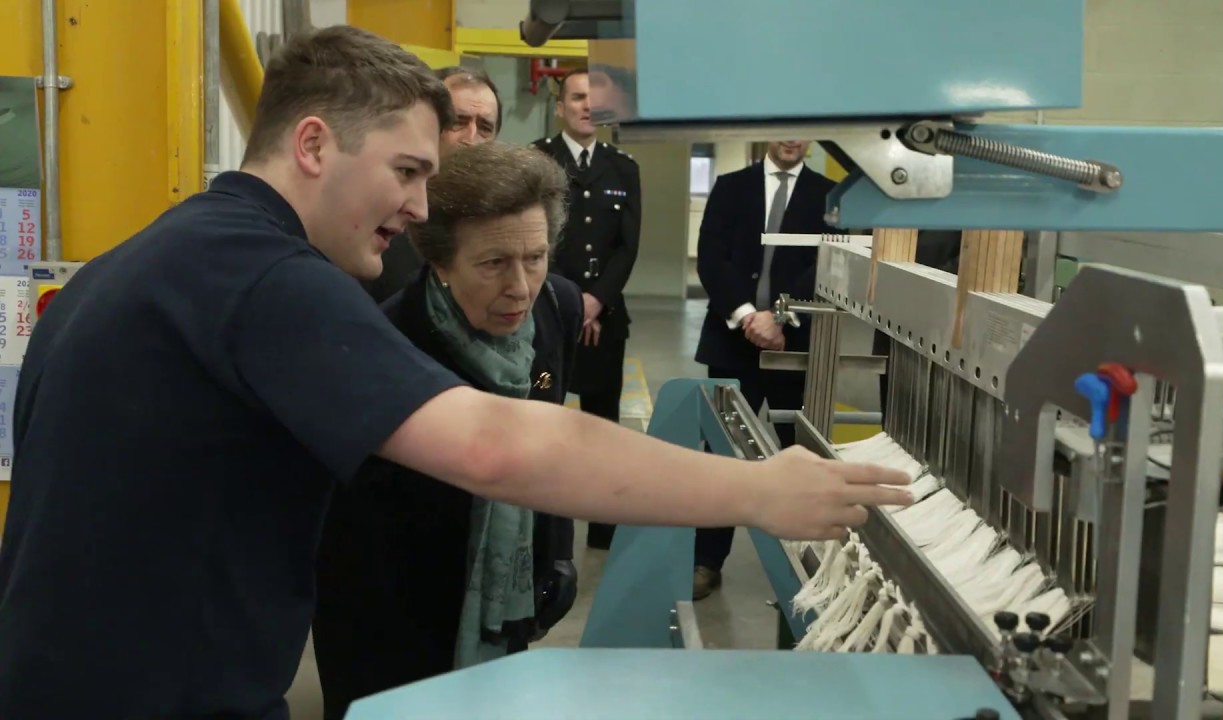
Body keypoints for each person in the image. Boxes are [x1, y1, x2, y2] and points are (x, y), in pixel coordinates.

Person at [0, 26, 912, 720]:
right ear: (312, 146)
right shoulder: (264, 276)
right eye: (406, 170)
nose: (418, 206)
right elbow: (492, 443)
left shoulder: (149, 261)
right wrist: (757, 491)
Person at [310, 153, 584, 720]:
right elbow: (346, 529)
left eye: (535, 258)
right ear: (439, 262)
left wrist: (554, 557)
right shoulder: (383, 345)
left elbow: (547, 443)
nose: (520, 288)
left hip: (503, 602)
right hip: (391, 612)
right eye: (493, 264)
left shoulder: (556, 310)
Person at [691, 141, 838, 600]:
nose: (791, 139)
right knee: (721, 451)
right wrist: (746, 315)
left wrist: (779, 317)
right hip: (732, 341)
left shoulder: (829, 195)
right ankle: (705, 561)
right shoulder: (731, 187)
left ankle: (807, 563)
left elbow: (826, 265)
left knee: (802, 451)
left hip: (795, 347)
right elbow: (711, 256)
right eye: (783, 130)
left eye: (801, 131)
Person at [533, 67, 642, 550]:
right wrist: (572, 304)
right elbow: (535, 239)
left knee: (602, 427)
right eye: (577, 97)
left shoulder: (623, 168)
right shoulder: (537, 160)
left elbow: (627, 247)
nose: (587, 107)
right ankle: (542, 526)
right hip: (547, 318)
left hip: (605, 321)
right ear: (560, 107)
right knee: (542, 416)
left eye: (595, 99)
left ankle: (603, 530)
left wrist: (595, 302)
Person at [362, 66, 504, 303]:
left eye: (485, 128)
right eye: (459, 122)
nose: (471, 139)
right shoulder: (382, 208)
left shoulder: (504, 220)